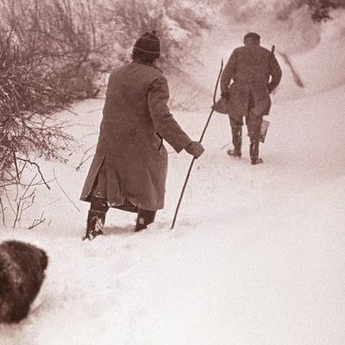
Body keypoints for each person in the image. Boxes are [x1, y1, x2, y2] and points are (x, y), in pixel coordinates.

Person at [79, 30, 205, 240]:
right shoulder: (156, 79)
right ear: (155, 56)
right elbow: (161, 117)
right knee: (150, 180)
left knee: (104, 184)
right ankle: (143, 230)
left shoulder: (116, 73)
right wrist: (187, 144)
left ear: (134, 52)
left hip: (110, 140)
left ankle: (94, 229)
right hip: (140, 143)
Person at [219, 32, 282, 165]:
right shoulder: (267, 54)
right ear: (258, 41)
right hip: (258, 95)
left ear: (245, 41)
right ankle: (254, 156)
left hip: (237, 94)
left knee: (235, 122)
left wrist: (224, 90)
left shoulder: (238, 52)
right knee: (255, 124)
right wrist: (269, 87)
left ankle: (237, 150)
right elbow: (277, 74)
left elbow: (227, 73)